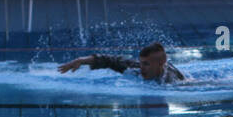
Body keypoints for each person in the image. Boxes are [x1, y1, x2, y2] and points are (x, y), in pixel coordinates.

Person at [57, 42, 185, 83]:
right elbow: (110, 60)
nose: (142, 68)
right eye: (141, 63)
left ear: (160, 64)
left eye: (146, 64)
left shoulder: (170, 80)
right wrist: (80, 60)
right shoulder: (135, 69)